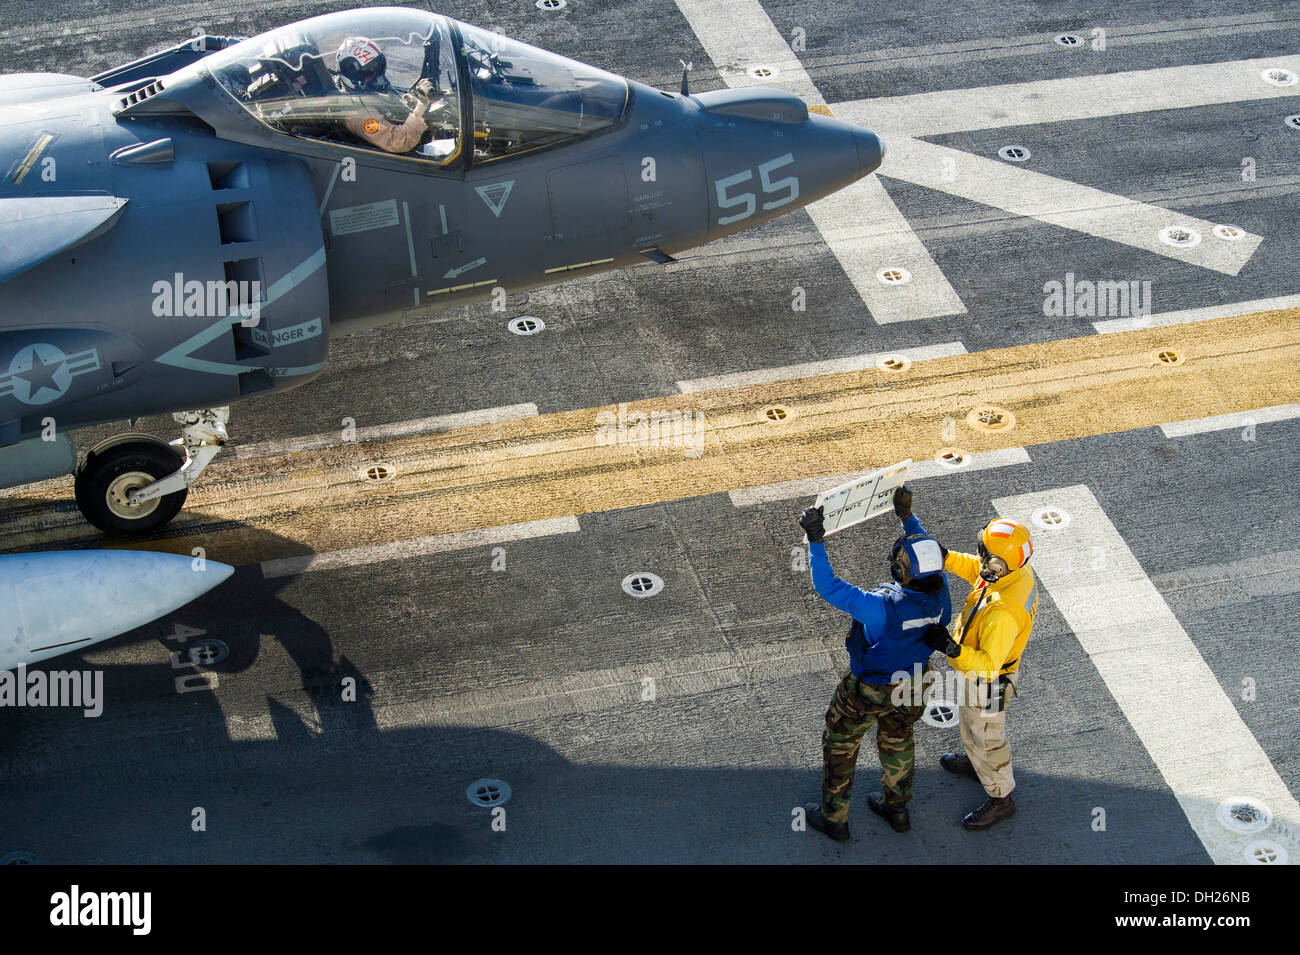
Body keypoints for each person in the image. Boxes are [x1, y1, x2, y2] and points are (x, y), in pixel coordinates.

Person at [799, 485, 952, 842]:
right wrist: (907, 517)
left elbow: (829, 586)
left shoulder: (879, 608)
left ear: (901, 572)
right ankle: (896, 807)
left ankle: (835, 817)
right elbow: (924, 550)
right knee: (898, 740)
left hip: (870, 689)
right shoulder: (941, 590)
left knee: (841, 742)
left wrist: (815, 542)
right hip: (915, 683)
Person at [920, 517, 1038, 830]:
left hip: (988, 682)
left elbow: (987, 666)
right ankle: (978, 765)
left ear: (999, 563)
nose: (981, 556)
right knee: (975, 728)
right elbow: (977, 570)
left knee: (987, 738)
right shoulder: (1014, 571)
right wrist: (947, 558)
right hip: (983, 676)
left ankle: (1001, 798)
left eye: (986, 553)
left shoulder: (1002, 613)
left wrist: (951, 648)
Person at [335, 36, 439, 154]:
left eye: (379, 69)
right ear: (354, 75)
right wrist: (422, 104)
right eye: (371, 72)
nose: (378, 78)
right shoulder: (357, 113)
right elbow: (398, 141)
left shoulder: (364, 95)